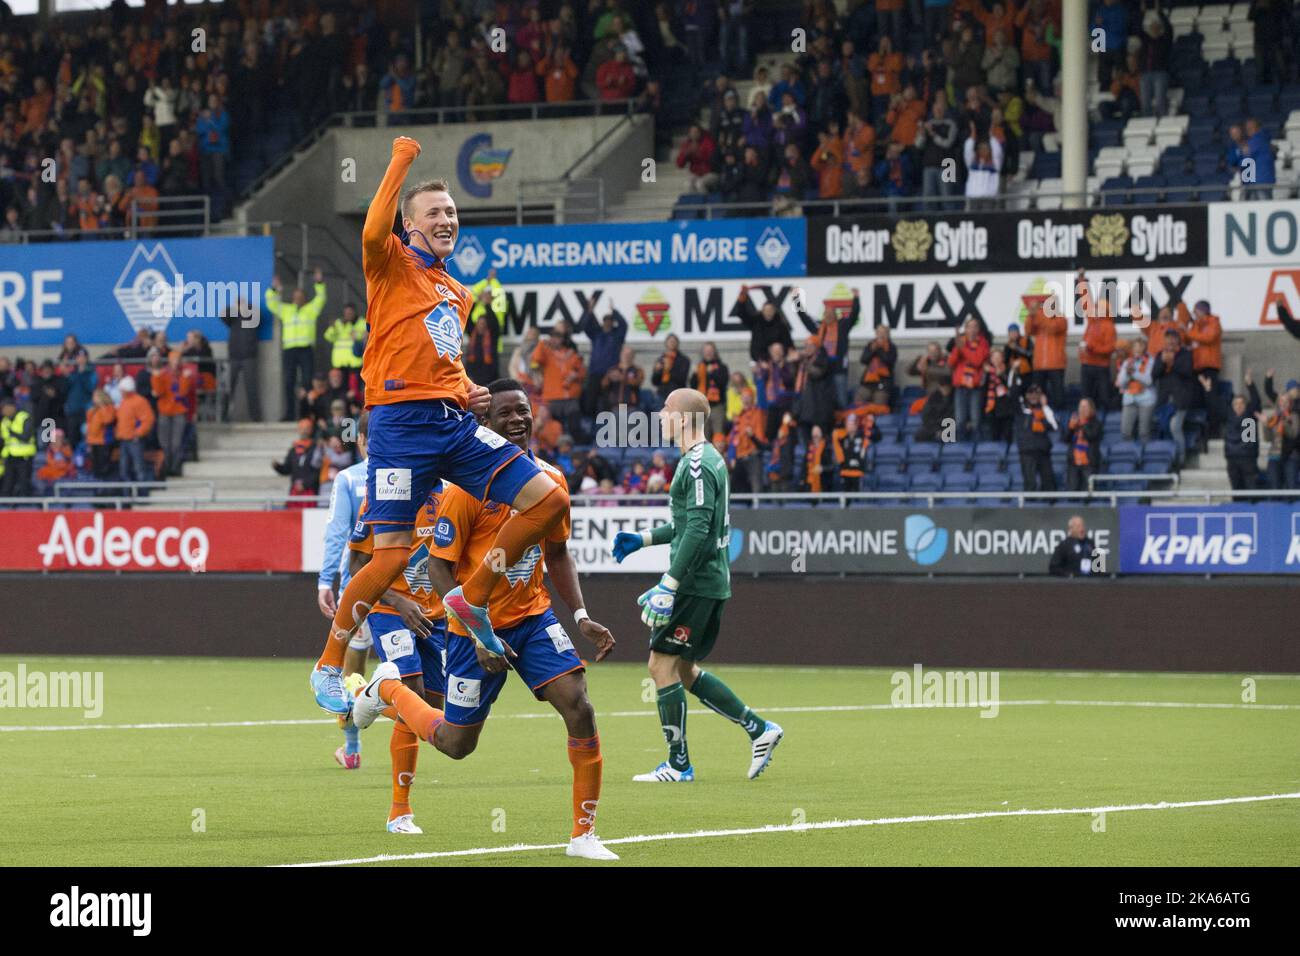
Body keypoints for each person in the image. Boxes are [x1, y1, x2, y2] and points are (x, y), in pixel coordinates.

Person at [310, 138, 570, 723]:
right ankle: (328, 663)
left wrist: (468, 388)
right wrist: (400, 161)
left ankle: (470, 597)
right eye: (434, 213)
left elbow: (441, 357)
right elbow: (373, 228)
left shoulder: (458, 292)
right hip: (400, 427)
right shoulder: (389, 263)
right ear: (410, 226)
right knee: (387, 561)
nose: (447, 219)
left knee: (548, 499)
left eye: (451, 212)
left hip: (452, 424)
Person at [349, 379, 618, 860]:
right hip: (472, 630)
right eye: (504, 413)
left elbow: (558, 554)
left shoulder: (551, 482)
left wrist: (580, 615)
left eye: (523, 410)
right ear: (485, 426)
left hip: (533, 619)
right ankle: (387, 690)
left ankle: (583, 835)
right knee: (456, 744)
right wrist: (478, 631)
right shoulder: (466, 492)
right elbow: (439, 568)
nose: (517, 419)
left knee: (579, 705)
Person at [611, 387, 783, 783]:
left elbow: (699, 529)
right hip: (708, 581)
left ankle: (678, 764)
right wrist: (644, 539)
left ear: (684, 418)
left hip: (695, 583)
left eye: (666, 409)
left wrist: (669, 584)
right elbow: (686, 524)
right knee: (684, 669)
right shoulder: (707, 459)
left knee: (660, 665)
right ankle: (759, 730)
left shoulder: (697, 464)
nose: (660, 416)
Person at [346, 479, 448, 833]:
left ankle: (370, 693)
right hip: (390, 611)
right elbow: (357, 564)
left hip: (436, 615)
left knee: (432, 714)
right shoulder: (381, 497)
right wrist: (397, 601)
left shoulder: (453, 495)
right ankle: (399, 812)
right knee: (412, 692)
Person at [317, 411, 371, 770]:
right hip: (407, 590)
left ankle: (352, 749)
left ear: (361, 440)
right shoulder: (416, 475)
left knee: (351, 676)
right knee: (408, 670)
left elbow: (337, 532)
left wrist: (325, 581)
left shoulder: (349, 479)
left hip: (361, 591)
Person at [267, 268, 326, 422]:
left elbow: (321, 298)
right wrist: (274, 289)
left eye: (300, 296)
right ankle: (289, 414)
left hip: (306, 349)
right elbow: (272, 304)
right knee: (289, 382)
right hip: (290, 350)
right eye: (295, 296)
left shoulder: (310, 309)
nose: (297, 298)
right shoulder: (286, 310)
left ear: (304, 298)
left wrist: (319, 283)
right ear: (292, 298)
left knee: (307, 382)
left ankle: (306, 414)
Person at [1152, 327, 1195, 466]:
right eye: (1168, 338)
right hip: (1164, 399)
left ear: (1177, 340)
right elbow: (1154, 374)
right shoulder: (1160, 354)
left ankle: (1181, 459)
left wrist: (1172, 362)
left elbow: (1187, 371)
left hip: (1181, 399)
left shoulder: (1185, 354)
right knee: (1163, 427)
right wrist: (1163, 362)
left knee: (1175, 427)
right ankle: (1165, 459)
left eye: (1172, 338)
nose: (1170, 341)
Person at [151, 349, 194, 478]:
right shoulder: (162, 374)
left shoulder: (184, 374)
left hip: (179, 412)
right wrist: (156, 377)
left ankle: (175, 468)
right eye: (173, 360)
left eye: (177, 360)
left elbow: (183, 392)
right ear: (169, 361)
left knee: (176, 443)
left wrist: (185, 378)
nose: (175, 362)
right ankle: (166, 468)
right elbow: (158, 392)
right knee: (164, 443)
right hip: (164, 412)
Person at [948, 317, 990, 441]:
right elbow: (951, 363)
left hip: (975, 387)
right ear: (965, 329)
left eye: (975, 326)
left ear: (978, 329)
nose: (972, 329)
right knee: (959, 420)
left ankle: (977, 448)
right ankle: (960, 448)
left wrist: (963, 349)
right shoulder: (960, 342)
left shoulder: (983, 343)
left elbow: (977, 361)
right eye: (969, 326)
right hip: (961, 386)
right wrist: (957, 348)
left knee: (975, 419)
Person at [222, 300, 262, 422]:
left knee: (251, 388)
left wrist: (246, 308)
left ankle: (255, 417)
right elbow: (223, 317)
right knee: (228, 388)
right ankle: (223, 416)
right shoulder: (232, 317)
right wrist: (234, 309)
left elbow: (258, 316)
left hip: (249, 356)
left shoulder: (252, 316)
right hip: (234, 356)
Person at [731, 285, 795, 363]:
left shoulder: (781, 326)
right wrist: (742, 297)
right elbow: (741, 314)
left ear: (774, 311)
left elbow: (789, 344)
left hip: (777, 362)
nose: (768, 312)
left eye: (770, 310)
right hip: (758, 359)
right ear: (762, 311)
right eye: (766, 310)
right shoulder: (756, 322)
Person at [1025, 295, 1066, 408]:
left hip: (1056, 365)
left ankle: (1058, 416)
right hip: (1039, 365)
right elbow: (1028, 330)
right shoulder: (1038, 318)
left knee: (1058, 398)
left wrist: (1037, 313)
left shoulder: (1061, 319)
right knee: (1037, 398)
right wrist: (1030, 315)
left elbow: (1052, 328)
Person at [1015, 382, 1057, 492]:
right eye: (1031, 393)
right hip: (1027, 451)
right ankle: (1029, 502)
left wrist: (1045, 406)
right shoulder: (1020, 409)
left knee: (1048, 482)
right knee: (1030, 483)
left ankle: (1050, 501)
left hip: (1043, 450)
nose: (1034, 396)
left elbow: (1054, 426)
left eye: (1037, 393)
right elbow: (1013, 391)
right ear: (1026, 395)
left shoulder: (1046, 410)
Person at [273, 417, 324, 506]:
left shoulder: (316, 448)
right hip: (295, 491)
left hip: (310, 491)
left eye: (306, 428)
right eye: (301, 428)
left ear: (311, 430)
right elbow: (287, 469)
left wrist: (305, 484)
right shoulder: (293, 449)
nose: (304, 431)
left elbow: (317, 471)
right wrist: (277, 466)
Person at [1224, 372, 1261, 494]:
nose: (1238, 406)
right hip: (1232, 460)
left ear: (1246, 405)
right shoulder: (1229, 418)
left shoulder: (1249, 419)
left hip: (1247, 461)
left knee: (1251, 492)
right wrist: (1209, 390)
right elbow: (1214, 405)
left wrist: (1250, 385)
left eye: (1241, 403)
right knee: (1236, 492)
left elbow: (1256, 401)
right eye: (1236, 404)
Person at [114, 376, 155, 485]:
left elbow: (148, 420)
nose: (120, 392)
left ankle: (141, 493)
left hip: (134, 440)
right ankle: (127, 493)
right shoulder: (124, 402)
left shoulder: (139, 401)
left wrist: (138, 434)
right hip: (124, 439)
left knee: (139, 468)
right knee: (124, 469)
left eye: (122, 390)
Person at [1115, 339, 1156, 442]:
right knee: (1125, 432)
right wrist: (1127, 374)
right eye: (1135, 347)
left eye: (1140, 346)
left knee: (1144, 433)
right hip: (1130, 399)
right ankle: (1129, 451)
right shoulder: (1127, 362)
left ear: (1144, 348)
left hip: (1146, 400)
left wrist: (1134, 373)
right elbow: (1121, 382)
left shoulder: (1151, 361)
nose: (1137, 349)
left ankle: (1145, 452)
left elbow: (1149, 381)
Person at [728, 387, 767, 494]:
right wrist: (732, 456)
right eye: (743, 397)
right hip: (740, 456)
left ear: (752, 398)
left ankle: (757, 504)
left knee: (756, 486)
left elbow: (760, 439)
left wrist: (752, 435)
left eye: (748, 397)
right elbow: (733, 439)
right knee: (737, 486)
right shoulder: (739, 417)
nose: (745, 399)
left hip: (753, 455)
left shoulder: (758, 413)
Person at [0, 396, 36, 497]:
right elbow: (3, 440)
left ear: (12, 407)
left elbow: (26, 437)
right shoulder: (4, 421)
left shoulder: (24, 417)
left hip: (24, 457)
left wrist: (12, 432)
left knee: (24, 483)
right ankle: (6, 504)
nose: (3, 411)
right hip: (9, 456)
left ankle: (26, 504)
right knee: (7, 483)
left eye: (4, 408)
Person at [1064, 398, 1102, 492]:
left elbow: (1091, 435)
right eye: (1081, 406)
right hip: (1073, 462)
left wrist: (1082, 424)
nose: (1082, 409)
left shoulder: (1096, 423)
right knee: (1072, 490)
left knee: (1089, 491)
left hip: (1089, 462)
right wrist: (1071, 428)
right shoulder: (1073, 422)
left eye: (1085, 406)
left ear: (1091, 408)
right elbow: (1065, 439)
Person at [324, 304, 367, 376]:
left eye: (350, 313)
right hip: (340, 361)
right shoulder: (339, 323)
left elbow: (366, 336)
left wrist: (356, 336)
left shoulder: (362, 323)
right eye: (346, 313)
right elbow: (328, 337)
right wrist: (332, 328)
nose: (348, 315)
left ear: (354, 312)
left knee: (354, 382)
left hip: (355, 361)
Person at [651, 333, 691, 402]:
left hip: (677, 394)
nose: (672, 343)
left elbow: (682, 379)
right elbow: (654, 382)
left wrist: (669, 369)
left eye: (674, 341)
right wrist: (657, 371)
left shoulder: (684, 360)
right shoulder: (661, 359)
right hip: (662, 394)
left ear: (677, 343)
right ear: (666, 343)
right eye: (670, 341)